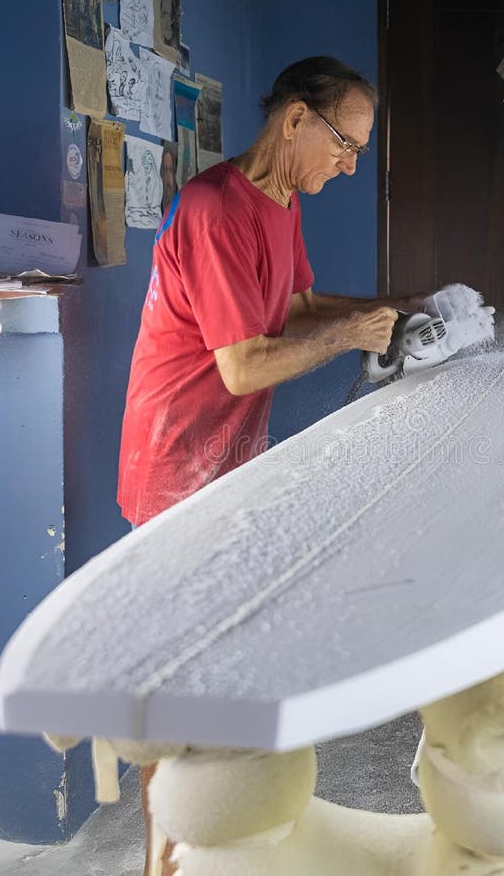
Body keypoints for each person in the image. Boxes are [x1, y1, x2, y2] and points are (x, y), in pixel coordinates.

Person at [117, 55, 419, 876]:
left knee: (224, 674)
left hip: (226, 461)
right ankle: (165, 859)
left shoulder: (280, 202)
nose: (351, 164)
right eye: (344, 145)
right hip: (177, 462)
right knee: (179, 690)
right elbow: (245, 367)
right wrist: (352, 338)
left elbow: (294, 307)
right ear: (294, 121)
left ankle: (215, 844)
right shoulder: (216, 209)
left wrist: (403, 306)